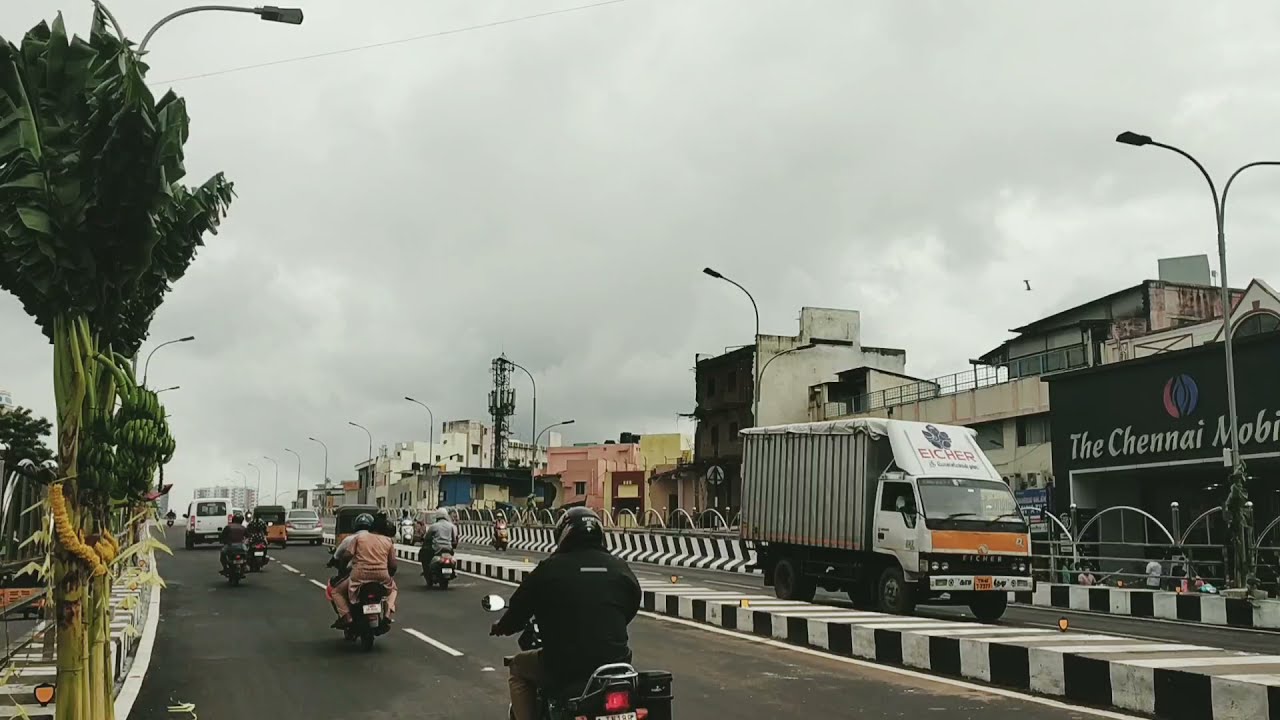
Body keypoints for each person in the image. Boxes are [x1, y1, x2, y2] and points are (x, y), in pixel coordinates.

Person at [489, 507, 641, 720]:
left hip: (566, 665)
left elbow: (519, 607)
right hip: (616, 666)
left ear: (564, 534)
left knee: (517, 666)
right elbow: (632, 603)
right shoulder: (619, 567)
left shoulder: (550, 568)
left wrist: (502, 627)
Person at [330, 512, 398, 627]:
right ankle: (387, 615)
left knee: (336, 592)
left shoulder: (359, 538)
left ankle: (347, 617)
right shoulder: (388, 541)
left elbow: (346, 556)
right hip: (381, 576)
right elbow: (393, 565)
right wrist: (389, 575)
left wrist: (342, 569)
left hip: (360, 575)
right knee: (393, 590)